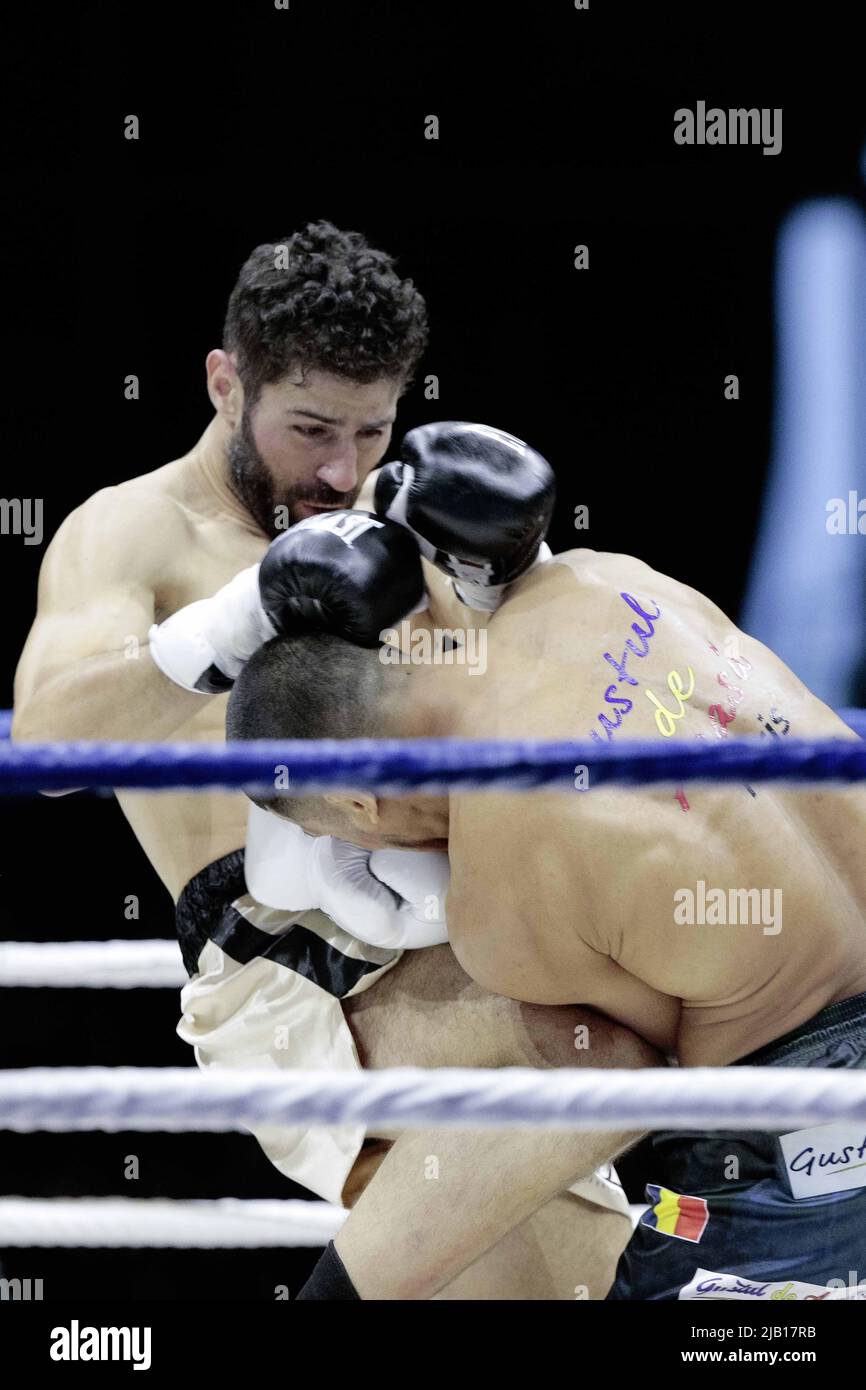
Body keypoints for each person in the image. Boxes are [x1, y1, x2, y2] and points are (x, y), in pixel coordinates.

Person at [13, 221, 658, 1299]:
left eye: (371, 430)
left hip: (454, 913)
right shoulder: (133, 533)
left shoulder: (386, 518)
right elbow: (40, 742)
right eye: (309, 427)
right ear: (225, 382)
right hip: (290, 963)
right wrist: (234, 615)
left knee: (563, 1279)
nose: (339, 468)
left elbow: (577, 685)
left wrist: (515, 573)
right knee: (605, 1051)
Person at [228, 481, 866, 1300]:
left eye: (337, 833)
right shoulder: (597, 581)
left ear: (356, 803)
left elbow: (650, 1053)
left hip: (802, 1160)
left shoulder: (498, 902)